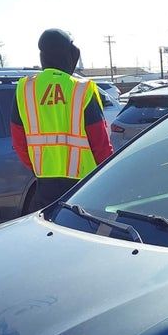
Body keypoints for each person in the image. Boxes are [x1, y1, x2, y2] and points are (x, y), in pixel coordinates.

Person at [11, 29, 113, 211]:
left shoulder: (25, 89)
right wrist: (107, 177)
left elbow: (19, 142)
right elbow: (101, 144)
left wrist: (39, 167)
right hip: (85, 186)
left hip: (44, 186)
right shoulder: (82, 89)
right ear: (69, 55)